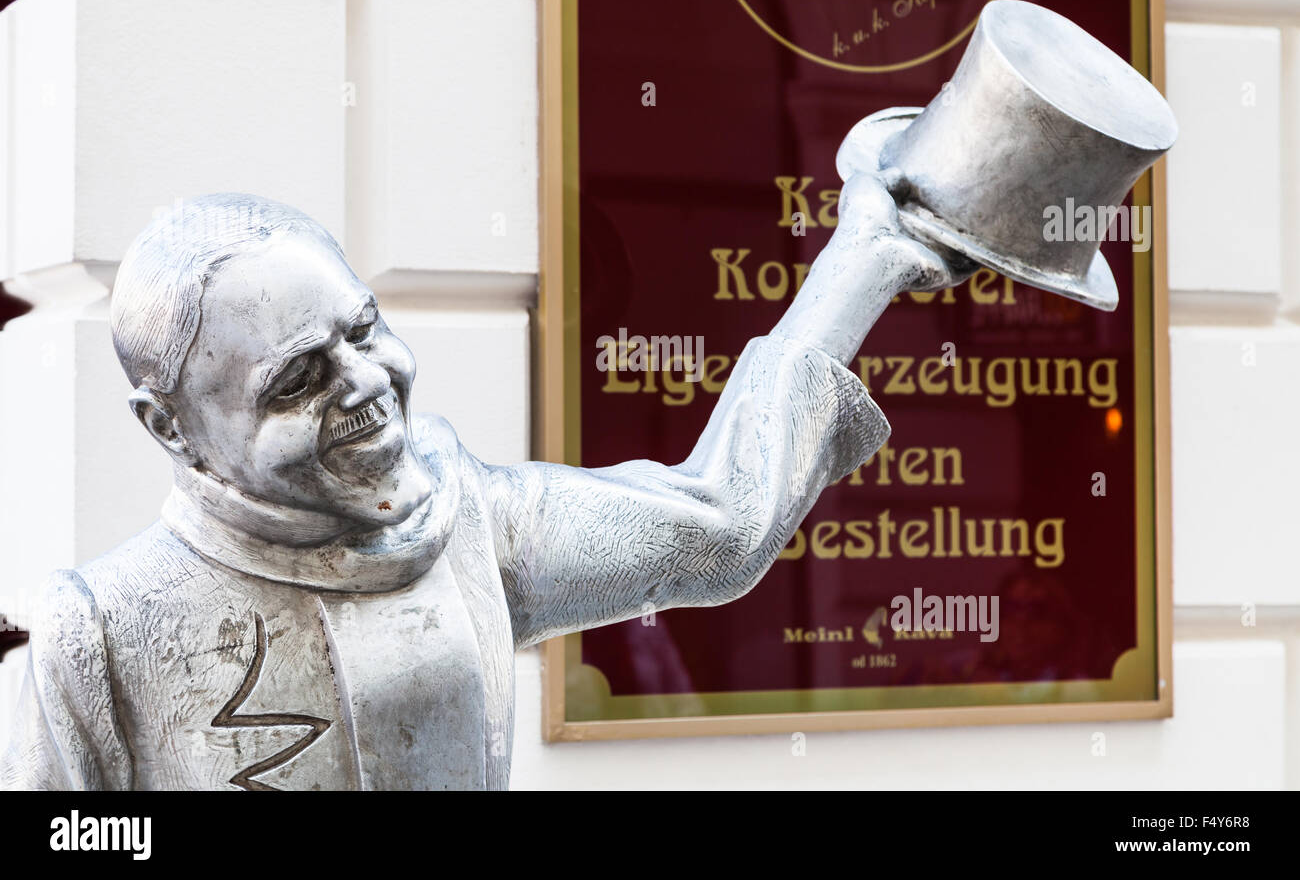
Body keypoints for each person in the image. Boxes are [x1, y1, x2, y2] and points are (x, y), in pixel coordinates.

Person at [0, 159, 971, 789]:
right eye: (297, 378)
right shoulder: (99, 639)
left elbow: (716, 526)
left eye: (365, 329)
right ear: (170, 428)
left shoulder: (469, 517)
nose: (367, 384)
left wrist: (864, 260)